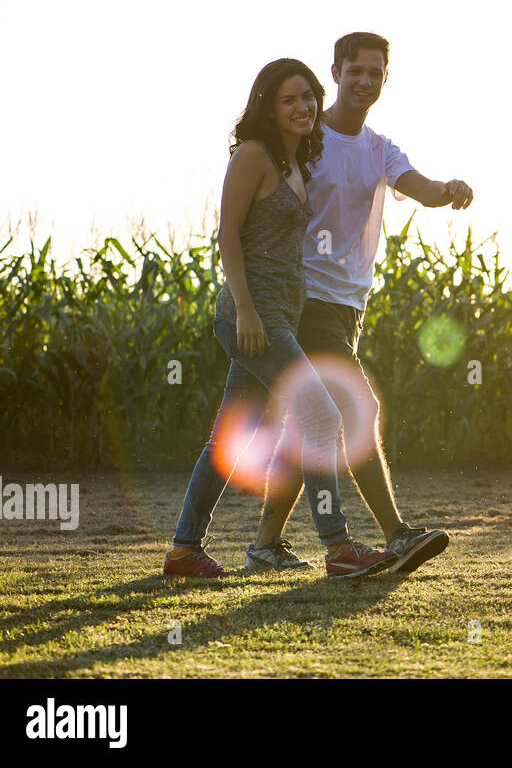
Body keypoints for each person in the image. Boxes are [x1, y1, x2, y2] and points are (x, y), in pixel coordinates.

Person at [244, 32, 472, 575]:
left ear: (385, 79)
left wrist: (448, 188)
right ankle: (396, 535)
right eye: (355, 72)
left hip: (349, 307)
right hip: (307, 301)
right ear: (336, 74)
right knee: (357, 407)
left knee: (310, 429)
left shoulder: (379, 149)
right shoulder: (307, 140)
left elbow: (418, 185)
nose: (365, 81)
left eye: (376, 73)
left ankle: (263, 546)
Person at [164, 58, 392, 579]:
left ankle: (183, 550)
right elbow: (227, 235)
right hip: (255, 315)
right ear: (268, 106)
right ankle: (338, 547)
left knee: (228, 440)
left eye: (308, 97)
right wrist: (245, 308)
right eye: (288, 99)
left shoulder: (297, 162)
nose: (302, 107)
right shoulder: (253, 156)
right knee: (322, 415)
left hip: (280, 315)